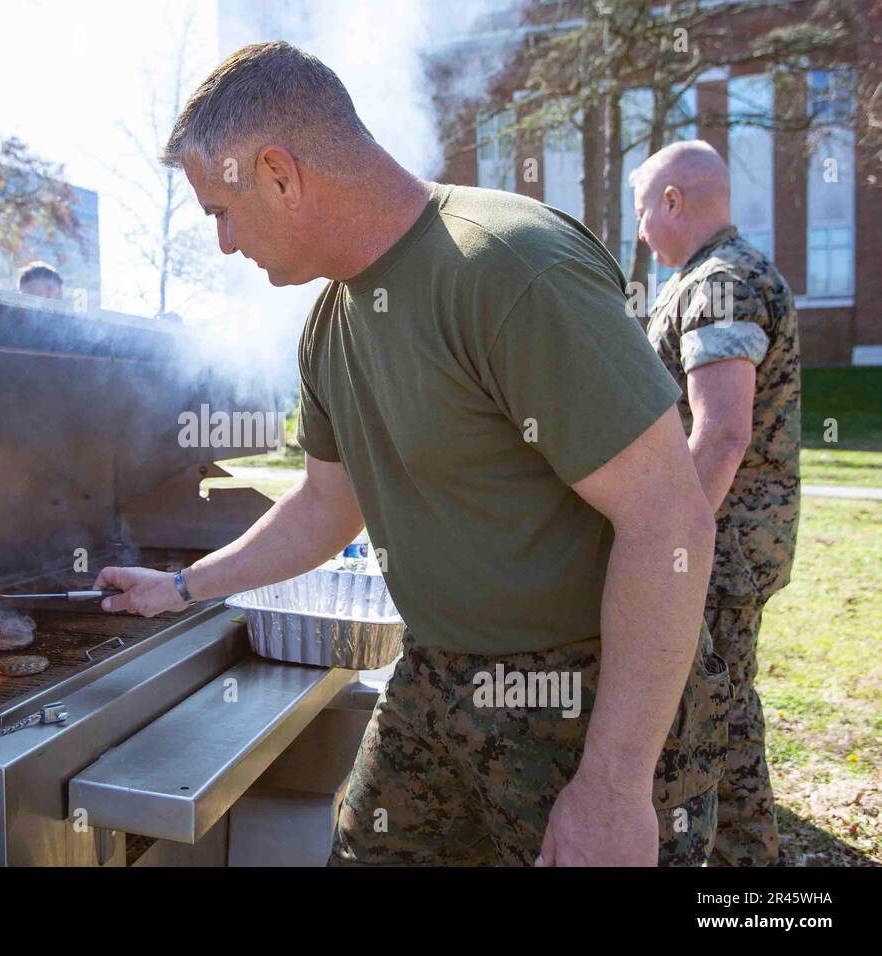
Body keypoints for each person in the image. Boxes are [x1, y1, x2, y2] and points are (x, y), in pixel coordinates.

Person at [94, 42, 728, 866]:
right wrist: (181, 586)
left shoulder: (506, 266)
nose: (221, 243)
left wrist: (613, 785)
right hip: (435, 679)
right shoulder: (329, 329)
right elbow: (325, 507)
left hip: (587, 694)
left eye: (221, 209)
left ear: (280, 174)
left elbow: (670, 520)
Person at [631, 140, 800, 867]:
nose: (640, 231)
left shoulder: (721, 282)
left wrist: (668, 548)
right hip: (725, 546)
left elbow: (723, 435)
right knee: (725, 720)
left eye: (641, 211)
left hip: (717, 551)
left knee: (704, 727)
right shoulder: (713, 274)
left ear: (673, 201)